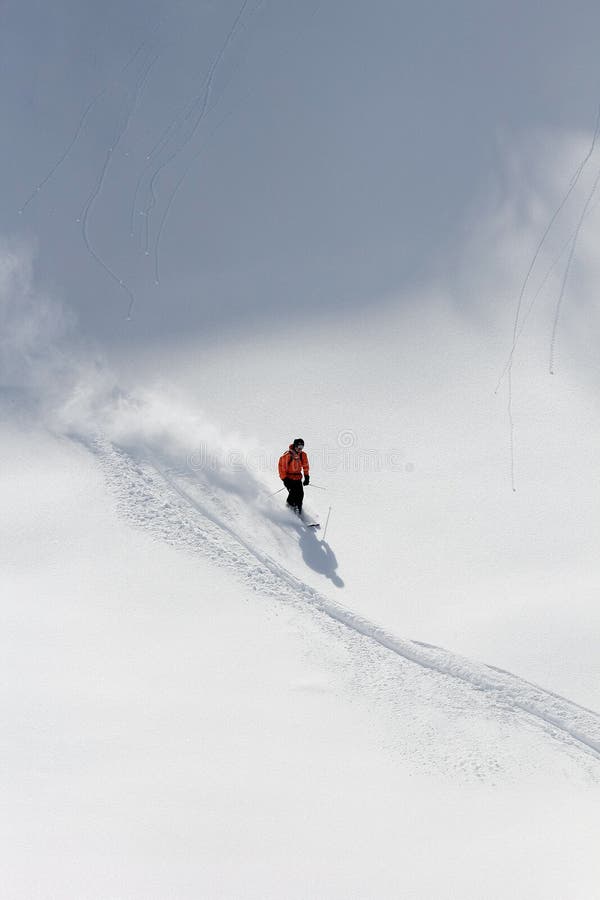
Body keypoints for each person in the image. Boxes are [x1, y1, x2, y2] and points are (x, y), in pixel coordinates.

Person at [278, 438, 310, 515]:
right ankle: (288, 510)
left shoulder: (303, 455)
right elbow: (281, 467)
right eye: (299, 447)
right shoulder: (288, 455)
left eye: (302, 447)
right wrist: (285, 479)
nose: (300, 449)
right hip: (289, 479)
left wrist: (306, 477)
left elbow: (306, 466)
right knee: (293, 493)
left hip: (298, 478)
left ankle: (299, 511)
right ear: (295, 446)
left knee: (300, 494)